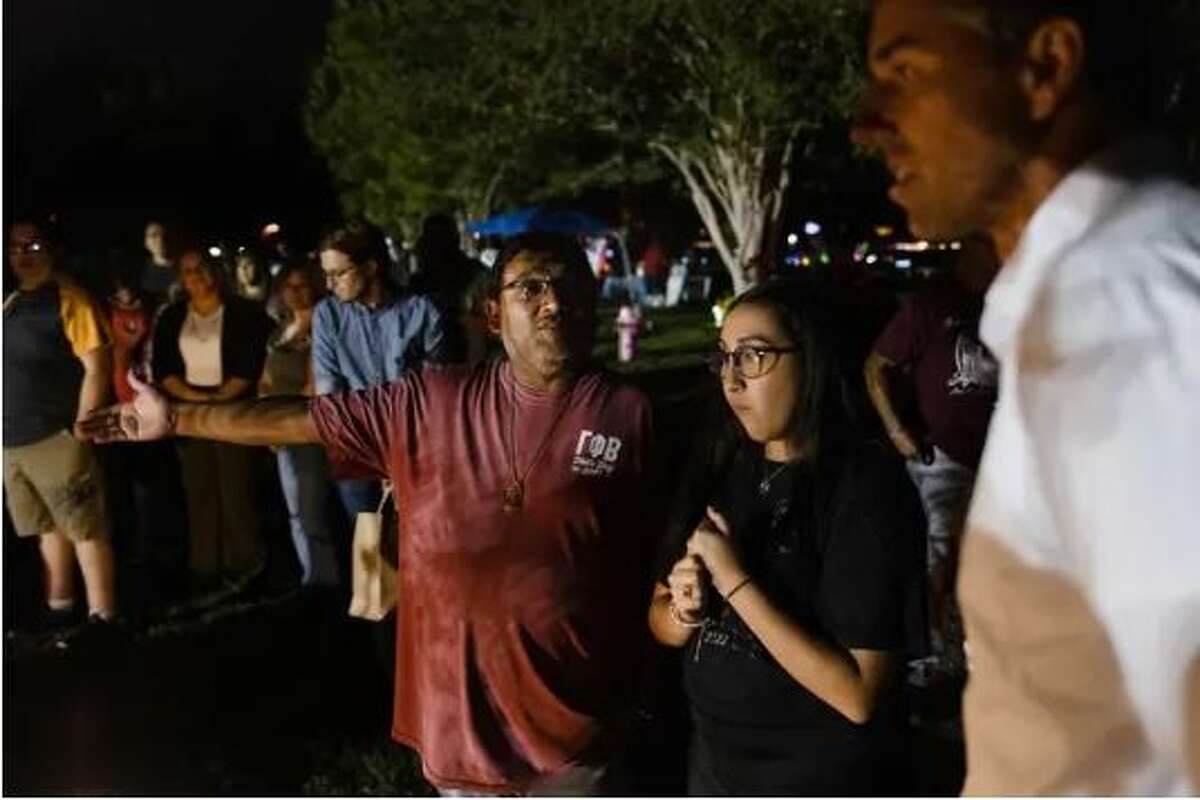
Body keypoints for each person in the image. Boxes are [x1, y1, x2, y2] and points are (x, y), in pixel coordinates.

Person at [81, 233, 656, 794]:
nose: (553, 302)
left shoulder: (628, 413)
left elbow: (644, 559)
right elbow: (299, 420)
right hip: (459, 720)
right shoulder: (428, 402)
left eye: (569, 286)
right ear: (493, 314)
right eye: (529, 288)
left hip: (576, 728)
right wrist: (178, 419)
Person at [854, 0, 1200, 793]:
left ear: (1045, 67)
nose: (867, 123)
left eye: (904, 74)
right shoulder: (1097, 295)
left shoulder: (1124, 301)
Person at [650, 278, 925, 794]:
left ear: (812, 358)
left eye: (753, 356)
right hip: (715, 769)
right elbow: (659, 617)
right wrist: (685, 610)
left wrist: (733, 579)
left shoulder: (865, 492)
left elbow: (859, 696)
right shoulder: (721, 464)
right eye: (724, 358)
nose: (732, 380)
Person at [864, 234, 999, 682]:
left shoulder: (1005, 304)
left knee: (982, 558)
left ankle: (968, 650)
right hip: (941, 456)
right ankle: (927, 658)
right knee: (937, 557)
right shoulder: (931, 304)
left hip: (997, 459)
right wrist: (898, 430)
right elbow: (876, 367)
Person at [3, 220, 120, 636]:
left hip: (57, 437)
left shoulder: (70, 299)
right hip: (13, 441)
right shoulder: (12, 301)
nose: (24, 253)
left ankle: (103, 617)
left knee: (86, 528)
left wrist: (81, 428)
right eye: (16, 246)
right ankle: (60, 607)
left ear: (51, 250)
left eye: (33, 245)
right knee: (46, 529)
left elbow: (97, 366)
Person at [151, 245, 273, 593]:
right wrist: (197, 399)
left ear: (217, 271)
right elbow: (164, 366)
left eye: (203, 268)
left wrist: (221, 398)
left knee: (237, 486)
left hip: (234, 409)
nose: (197, 277)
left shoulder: (243, 313)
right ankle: (204, 563)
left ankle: (245, 562)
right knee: (198, 487)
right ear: (182, 279)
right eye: (189, 271)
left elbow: (250, 361)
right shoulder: (173, 316)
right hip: (189, 414)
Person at [313, 218, 448, 522]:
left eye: (338, 273)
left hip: (413, 445)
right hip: (354, 444)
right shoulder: (327, 315)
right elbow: (329, 389)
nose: (330, 284)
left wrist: (399, 454)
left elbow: (434, 394)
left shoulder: (422, 311)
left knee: (420, 537)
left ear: (371, 266)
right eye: (326, 274)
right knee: (367, 544)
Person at [259, 261, 338, 589]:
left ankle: (325, 580)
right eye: (288, 286)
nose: (295, 292)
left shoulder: (324, 326)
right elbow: (265, 379)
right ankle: (311, 575)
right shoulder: (280, 330)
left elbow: (315, 385)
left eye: (302, 284)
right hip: (279, 430)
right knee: (296, 511)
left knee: (311, 510)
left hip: (306, 428)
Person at [410, 213, 492, 365]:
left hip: (473, 363)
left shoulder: (476, 275)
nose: (437, 245)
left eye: (441, 237)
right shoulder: (419, 283)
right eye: (433, 238)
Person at [139, 221, 178, 304]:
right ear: (146, 243)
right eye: (154, 235)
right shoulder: (141, 273)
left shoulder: (186, 267)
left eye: (164, 234)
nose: (160, 239)